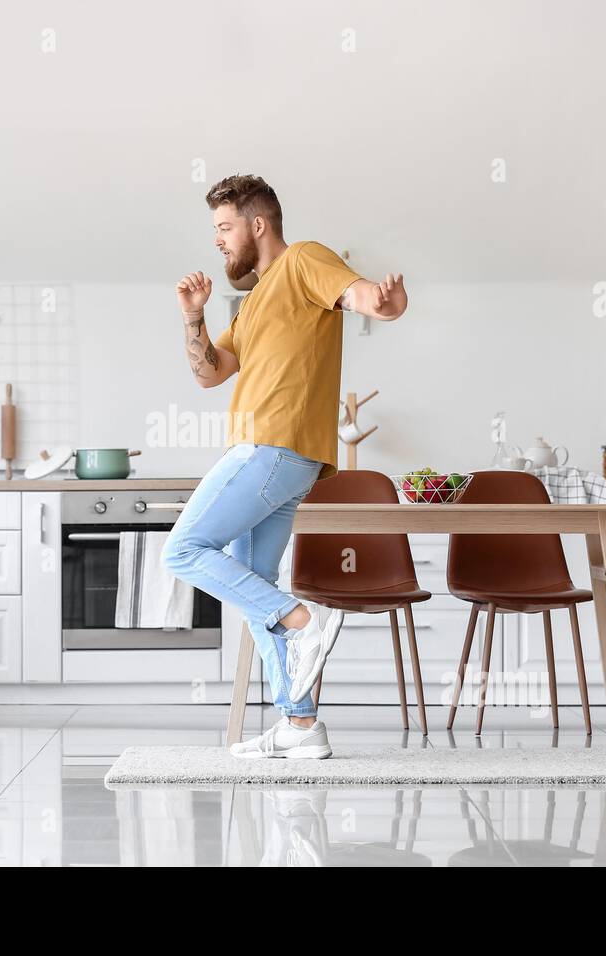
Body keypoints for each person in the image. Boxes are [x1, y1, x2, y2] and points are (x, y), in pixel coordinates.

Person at [162, 174, 408, 759]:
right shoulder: (253, 303)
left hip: (271, 448)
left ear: (257, 224)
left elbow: (361, 296)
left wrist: (385, 302)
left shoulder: (303, 261)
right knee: (255, 590)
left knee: (183, 549)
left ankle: (304, 622)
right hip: (283, 459)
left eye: (224, 228)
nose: (219, 241)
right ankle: (300, 727)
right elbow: (209, 373)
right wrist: (192, 315)